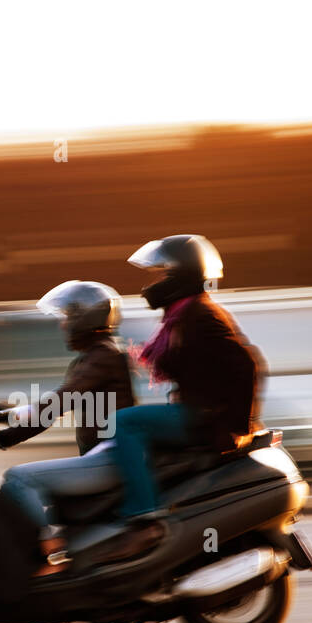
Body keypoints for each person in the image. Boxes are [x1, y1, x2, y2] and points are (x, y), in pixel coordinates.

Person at [105, 234, 266, 559]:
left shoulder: (200, 316)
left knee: (122, 424)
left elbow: (249, 365)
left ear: (182, 275)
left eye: (164, 274)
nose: (158, 282)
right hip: (199, 411)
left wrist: (237, 427)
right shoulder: (183, 315)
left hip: (204, 418)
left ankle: (144, 517)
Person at [0, 280, 136, 575]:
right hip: (105, 456)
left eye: (67, 318)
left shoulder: (103, 357)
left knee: (20, 480)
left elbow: (59, 402)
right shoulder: (99, 354)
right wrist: (5, 428)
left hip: (111, 457)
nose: (63, 326)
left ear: (85, 318)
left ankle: (52, 555)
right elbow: (56, 407)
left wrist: (4, 429)